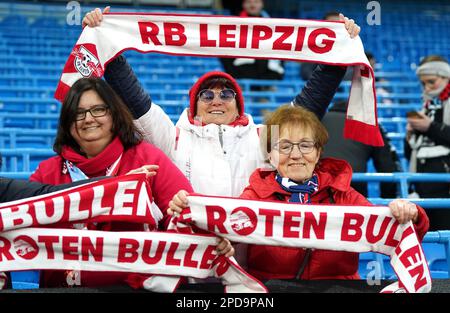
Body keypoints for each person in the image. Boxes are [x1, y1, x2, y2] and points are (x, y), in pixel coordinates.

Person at [83, 7, 361, 200]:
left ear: (239, 107)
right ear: (194, 106)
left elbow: (307, 108)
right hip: (188, 265)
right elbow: (134, 100)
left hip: (247, 264)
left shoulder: (263, 137)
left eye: (227, 94)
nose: (217, 100)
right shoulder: (173, 137)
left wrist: (337, 54)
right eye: (206, 95)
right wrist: (107, 39)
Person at [168, 105, 429, 280]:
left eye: (305, 145)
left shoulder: (342, 194)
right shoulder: (255, 194)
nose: (296, 154)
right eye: (284, 146)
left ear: (318, 153)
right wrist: (188, 210)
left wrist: (411, 214)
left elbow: (395, 230)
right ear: (269, 155)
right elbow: (221, 232)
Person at [29, 77, 232, 287]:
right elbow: (17, 220)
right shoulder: (47, 171)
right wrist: (118, 187)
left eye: (99, 109)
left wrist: (208, 237)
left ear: (115, 114)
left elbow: (189, 216)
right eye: (78, 113)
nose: (88, 119)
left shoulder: (148, 158)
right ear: (67, 122)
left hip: (134, 288)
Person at [405, 55, 450, 230]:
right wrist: (409, 136)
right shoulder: (426, 105)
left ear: (446, 77)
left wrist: (429, 127)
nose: (427, 88)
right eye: (423, 84)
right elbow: (411, 154)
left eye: (431, 82)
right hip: (424, 185)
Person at [321, 100, 402, 198]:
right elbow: (387, 166)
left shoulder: (318, 120)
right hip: (353, 186)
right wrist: (387, 201)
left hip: (318, 182)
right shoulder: (369, 125)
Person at [219, 0, 285, 85]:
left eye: (256, 2)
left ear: (262, 4)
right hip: (241, 77)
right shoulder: (233, 24)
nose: (252, 5)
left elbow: (282, 50)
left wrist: (278, 72)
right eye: (249, 2)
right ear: (243, 4)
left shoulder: (274, 25)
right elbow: (224, 50)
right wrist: (233, 74)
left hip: (270, 78)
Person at [300, 11, 355, 82]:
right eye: (331, 25)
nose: (334, 29)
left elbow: (353, 74)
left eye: (338, 25)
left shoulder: (350, 48)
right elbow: (306, 73)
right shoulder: (313, 48)